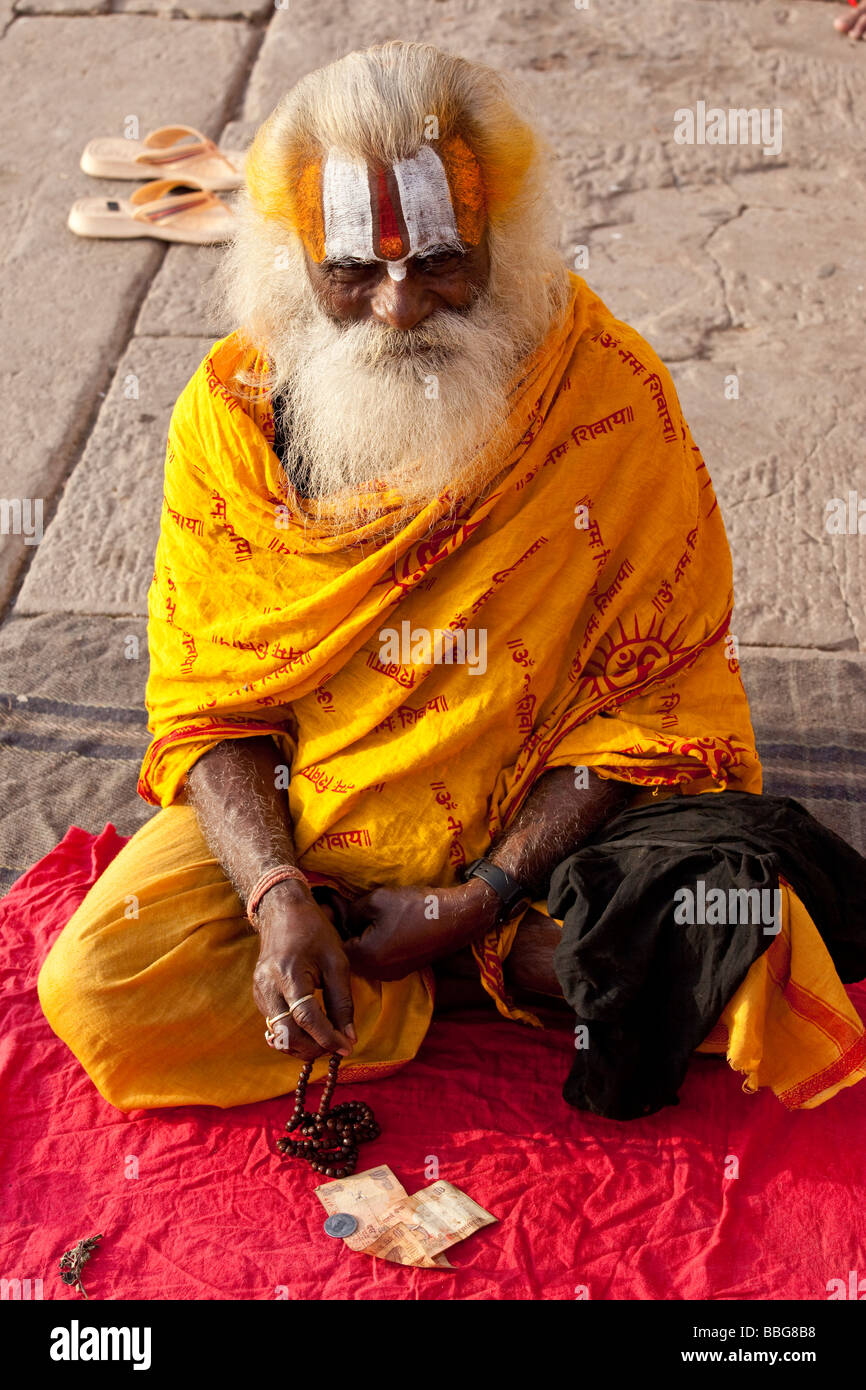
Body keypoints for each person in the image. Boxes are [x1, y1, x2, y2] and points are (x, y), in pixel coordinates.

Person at [37, 41, 866, 1118]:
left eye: (437, 260)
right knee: (97, 990)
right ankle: (449, 974)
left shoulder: (605, 395)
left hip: (542, 844)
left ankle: (448, 963)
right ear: (293, 263)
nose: (397, 306)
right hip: (318, 824)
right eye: (351, 270)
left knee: (744, 964)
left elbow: (653, 697)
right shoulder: (229, 416)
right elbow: (209, 701)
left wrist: (476, 897)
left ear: (500, 240)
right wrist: (277, 895)